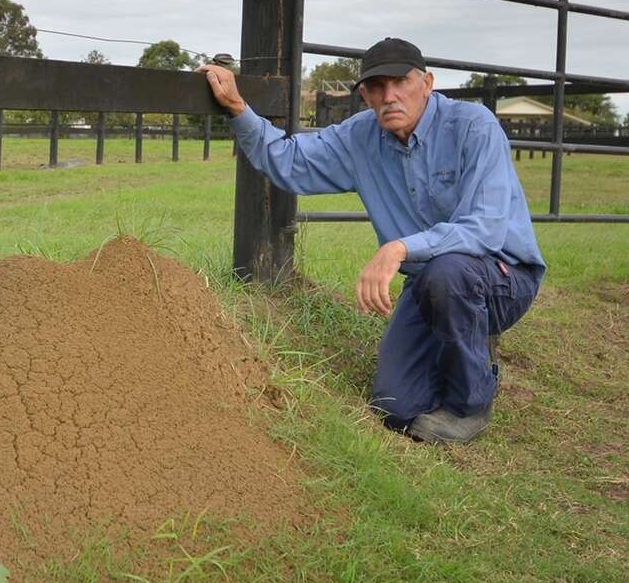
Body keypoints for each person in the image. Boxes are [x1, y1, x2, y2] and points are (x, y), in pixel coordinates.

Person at [198, 37, 544, 444]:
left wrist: (398, 247)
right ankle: (461, 345)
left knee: (449, 274)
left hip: (501, 276)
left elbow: (484, 229)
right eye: (377, 87)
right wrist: (239, 109)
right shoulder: (360, 136)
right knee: (394, 405)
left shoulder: (473, 126)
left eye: (401, 82)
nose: (390, 96)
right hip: (430, 282)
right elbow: (292, 162)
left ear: (428, 83)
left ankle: (469, 405)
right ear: (364, 94)